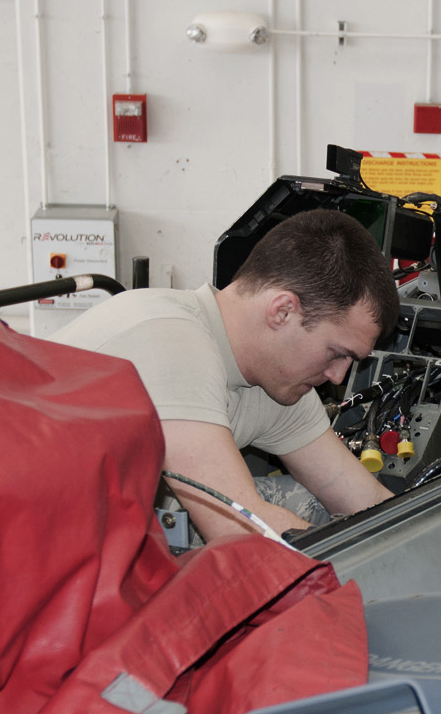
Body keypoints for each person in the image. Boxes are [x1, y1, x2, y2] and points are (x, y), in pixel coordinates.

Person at [55, 208, 399, 539]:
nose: (339, 377)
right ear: (282, 311)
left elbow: (365, 503)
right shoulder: (170, 339)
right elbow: (239, 528)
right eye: (337, 353)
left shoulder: (278, 383)